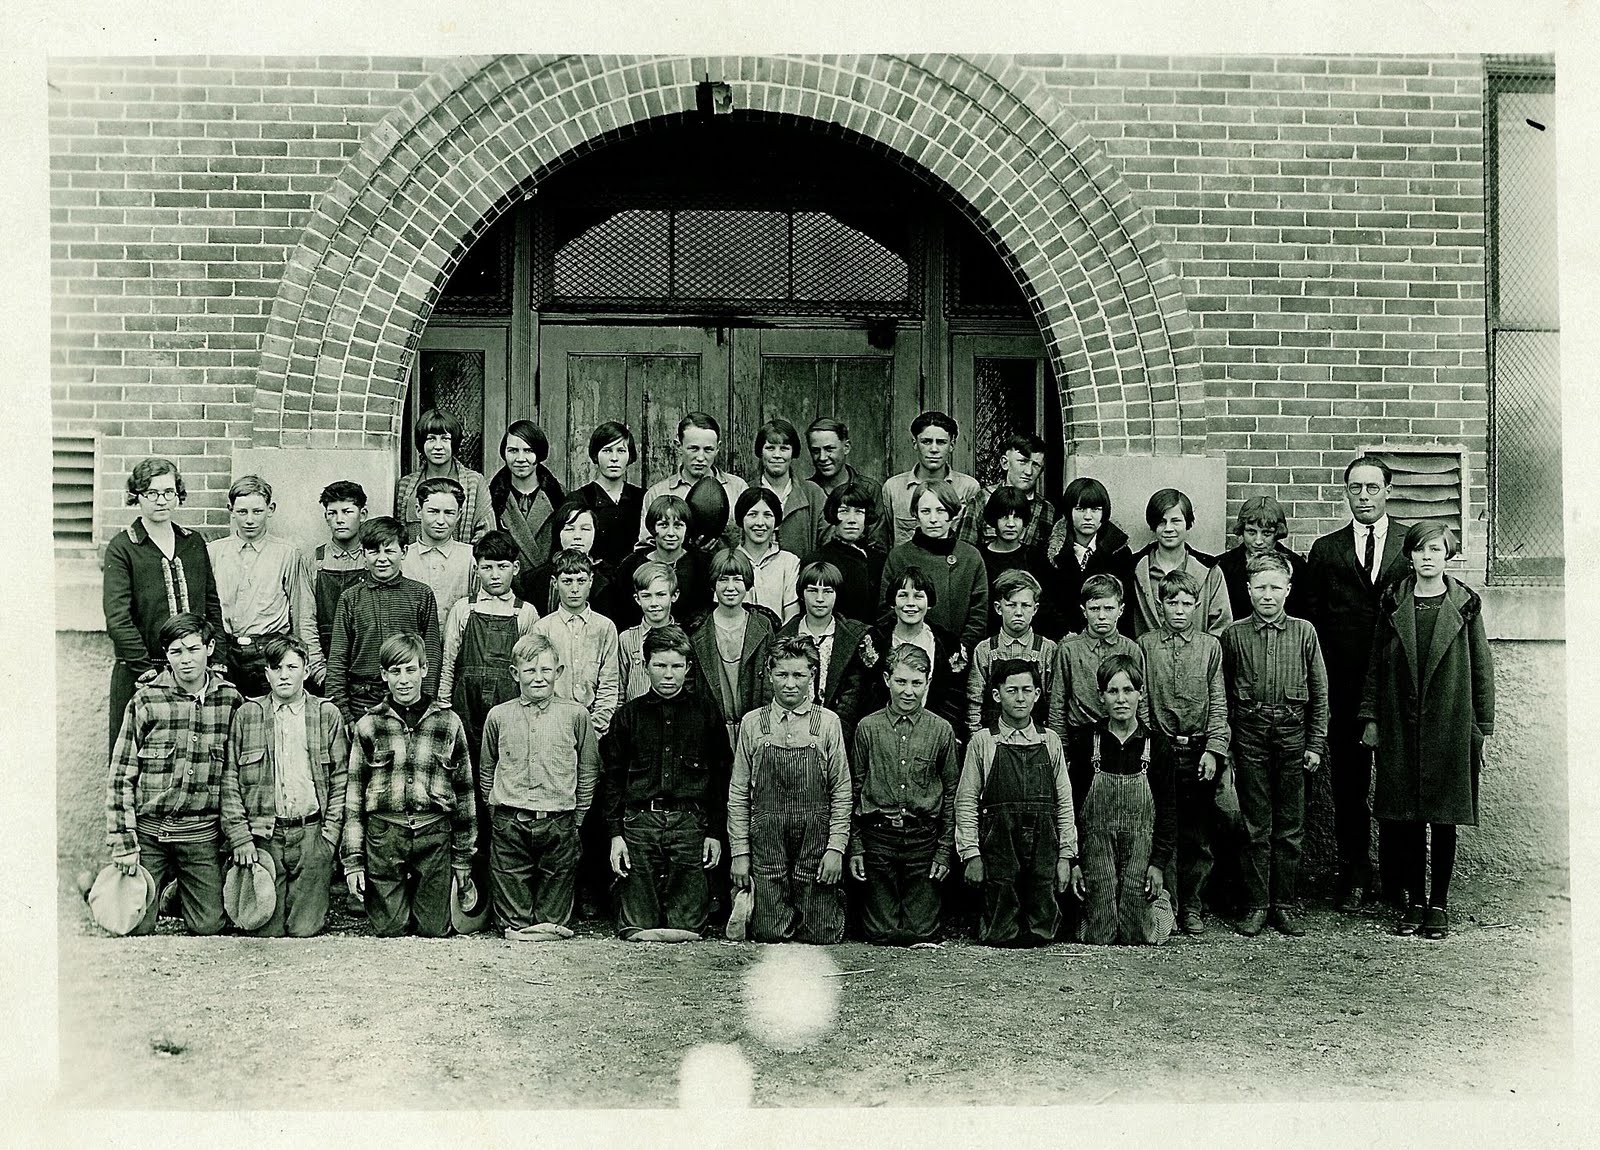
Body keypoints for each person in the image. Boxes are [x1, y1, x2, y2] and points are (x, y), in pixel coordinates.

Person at [1358, 523, 1495, 941]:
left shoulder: (1465, 604)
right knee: (1406, 819)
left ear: (1448, 554)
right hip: (1401, 722)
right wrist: (1371, 718)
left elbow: (1480, 668)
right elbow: (1376, 667)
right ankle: (1415, 900)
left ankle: (1439, 903)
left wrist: (1481, 727)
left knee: (1443, 816)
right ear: (1410, 557)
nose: (1427, 557)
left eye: (1435, 549)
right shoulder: (1394, 601)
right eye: (1419, 550)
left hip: (1450, 725)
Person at [1304, 454, 1411, 913]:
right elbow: (1312, 622)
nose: (1363, 496)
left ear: (1388, 490)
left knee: (1396, 783)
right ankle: (1353, 872)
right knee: (1348, 787)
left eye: (1372, 487)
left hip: (1396, 685)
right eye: (1355, 488)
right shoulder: (1326, 550)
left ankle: (1398, 879)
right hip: (1344, 688)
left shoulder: (1412, 545)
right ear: (1346, 493)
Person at [105, 612, 243, 936]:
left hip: (200, 835)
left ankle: (176, 895)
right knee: (135, 925)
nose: (185, 660)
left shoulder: (230, 701)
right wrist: (124, 843)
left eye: (193, 649)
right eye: (176, 652)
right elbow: (120, 776)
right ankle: (117, 885)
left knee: (209, 925)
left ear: (210, 648)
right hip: (151, 833)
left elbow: (238, 776)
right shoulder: (145, 700)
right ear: (166, 655)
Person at [1221, 551, 1329, 937]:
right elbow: (1225, 696)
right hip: (1249, 738)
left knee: (1290, 825)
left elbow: (1319, 693)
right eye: (1260, 587)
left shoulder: (1304, 633)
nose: (1268, 595)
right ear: (1248, 590)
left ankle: (1283, 903)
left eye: (1275, 587)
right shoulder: (1234, 636)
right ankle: (1256, 904)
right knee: (1255, 825)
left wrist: (1315, 744)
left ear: (1288, 589)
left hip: (1293, 738)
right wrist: (1229, 747)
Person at [342, 632, 476, 938]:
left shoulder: (448, 722)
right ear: (384, 675)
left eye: (411, 670)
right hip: (385, 834)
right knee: (390, 929)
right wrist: (353, 862)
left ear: (425, 670)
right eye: (395, 671)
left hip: (434, 833)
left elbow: (465, 793)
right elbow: (352, 797)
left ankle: (426, 896)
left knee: (433, 929)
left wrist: (463, 856)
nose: (403, 680)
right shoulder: (369, 724)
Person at [604, 624, 731, 942]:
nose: (668, 674)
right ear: (646, 666)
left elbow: (720, 776)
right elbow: (613, 780)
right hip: (640, 823)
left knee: (688, 928)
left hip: (689, 823)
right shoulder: (628, 716)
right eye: (660, 665)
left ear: (688, 667)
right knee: (637, 926)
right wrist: (616, 836)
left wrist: (714, 832)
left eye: (676, 666)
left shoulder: (705, 712)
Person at [437, 529, 541, 913]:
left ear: (515, 568)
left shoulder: (525, 613)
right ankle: (468, 882)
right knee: (467, 791)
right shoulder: (463, 610)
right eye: (486, 567)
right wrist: (445, 706)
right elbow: (449, 661)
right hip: (466, 711)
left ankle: (507, 887)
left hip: (508, 712)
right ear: (476, 569)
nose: (494, 575)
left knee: (502, 788)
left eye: (502, 567)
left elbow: (532, 666)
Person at [220, 635, 348, 937]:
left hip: (312, 833)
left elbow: (341, 778)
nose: (284, 674)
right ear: (266, 674)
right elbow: (229, 781)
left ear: (305, 671)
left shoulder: (326, 715)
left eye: (292, 666)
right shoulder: (247, 715)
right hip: (266, 835)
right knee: (266, 931)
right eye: (276, 667)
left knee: (305, 931)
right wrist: (241, 838)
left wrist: (329, 837)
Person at [727, 638, 852, 944]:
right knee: (769, 933)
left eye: (798, 675)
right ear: (769, 675)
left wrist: (836, 849)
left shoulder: (828, 723)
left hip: (815, 835)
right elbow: (738, 793)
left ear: (812, 675)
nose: (790, 684)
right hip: (767, 836)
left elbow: (842, 791)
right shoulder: (753, 724)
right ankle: (755, 899)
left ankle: (831, 902)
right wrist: (740, 853)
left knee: (822, 934)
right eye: (782, 675)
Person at [480, 633, 600, 940]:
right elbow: (487, 769)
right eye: (530, 670)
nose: (538, 678)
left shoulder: (576, 715)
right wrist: (498, 815)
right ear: (514, 673)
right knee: (513, 925)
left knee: (553, 924)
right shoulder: (498, 716)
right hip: (510, 824)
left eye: (546, 670)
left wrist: (578, 817)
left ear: (558, 672)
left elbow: (588, 770)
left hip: (559, 824)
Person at [102, 457, 225, 751]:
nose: (161, 501)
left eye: (169, 492)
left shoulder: (193, 542)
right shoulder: (123, 547)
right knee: (138, 757)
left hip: (194, 672)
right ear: (137, 497)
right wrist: (148, 671)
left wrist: (216, 659)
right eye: (151, 493)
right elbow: (118, 618)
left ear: (178, 495)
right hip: (141, 673)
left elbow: (212, 606)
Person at [954, 660, 1079, 947]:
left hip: (1043, 843)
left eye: (1026, 690)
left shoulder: (1050, 741)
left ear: (1037, 694)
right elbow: (966, 802)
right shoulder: (984, 742)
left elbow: (1064, 802)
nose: (1020, 698)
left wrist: (1065, 855)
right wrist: (971, 853)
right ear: (997, 695)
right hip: (999, 843)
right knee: (999, 917)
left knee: (1042, 915)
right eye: (1012, 690)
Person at [1137, 570, 1232, 936]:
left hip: (1197, 750)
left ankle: (1193, 903)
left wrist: (1213, 750)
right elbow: (1141, 699)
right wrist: (1151, 745)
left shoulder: (1210, 648)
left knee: (1198, 833)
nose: (1179, 610)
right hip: (1160, 748)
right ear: (1160, 606)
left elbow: (1219, 705)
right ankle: (1168, 903)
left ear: (1197, 606)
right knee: (1165, 830)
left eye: (1186, 603)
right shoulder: (1146, 645)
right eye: (1171, 602)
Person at [848, 645, 959, 946]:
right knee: (879, 933)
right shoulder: (867, 728)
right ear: (886, 679)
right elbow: (855, 790)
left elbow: (951, 793)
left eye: (916, 683)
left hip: (922, 838)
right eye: (901, 681)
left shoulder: (941, 730)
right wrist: (856, 847)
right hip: (879, 837)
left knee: (920, 933)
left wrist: (944, 850)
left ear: (927, 683)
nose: (908, 691)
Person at [1076, 654, 1174, 946]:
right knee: (1098, 935)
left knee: (1138, 935)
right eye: (1113, 691)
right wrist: (1074, 862)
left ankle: (1162, 903)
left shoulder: (1155, 744)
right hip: (1096, 846)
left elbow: (1168, 810)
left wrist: (1158, 864)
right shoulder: (1088, 741)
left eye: (1128, 690)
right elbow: (1071, 805)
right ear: (1101, 696)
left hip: (1140, 847)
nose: (1121, 699)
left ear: (1140, 694)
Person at [208, 474, 324, 700]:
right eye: (242, 512)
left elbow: (300, 613)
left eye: (257, 511)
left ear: (270, 509)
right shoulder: (214, 552)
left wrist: (305, 659)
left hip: (268, 651)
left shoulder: (286, 553)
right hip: (225, 650)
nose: (249, 519)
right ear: (230, 509)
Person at [1047, 573, 1149, 820]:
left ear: (1121, 610)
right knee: (1081, 810)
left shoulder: (1131, 649)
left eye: (1108, 608)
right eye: (1094, 609)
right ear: (1084, 610)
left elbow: (1141, 701)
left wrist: (1146, 744)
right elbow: (1058, 704)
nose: (1102, 616)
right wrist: (1062, 753)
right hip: (1080, 739)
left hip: (1122, 741)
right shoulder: (1069, 650)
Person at [325, 516, 442, 726]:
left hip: (409, 697)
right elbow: (338, 658)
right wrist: (343, 713)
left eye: (389, 551)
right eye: (373, 551)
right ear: (363, 554)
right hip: (362, 701)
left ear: (404, 552)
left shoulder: (421, 594)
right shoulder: (350, 598)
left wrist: (425, 701)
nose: (381, 559)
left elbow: (431, 652)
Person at [776, 559, 878, 749]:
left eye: (828, 591)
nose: (820, 598)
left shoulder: (853, 637)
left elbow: (854, 692)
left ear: (837, 594)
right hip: (790, 734)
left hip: (838, 734)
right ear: (802, 594)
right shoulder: (784, 637)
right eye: (813, 590)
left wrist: (836, 730)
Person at [879, 478, 989, 653]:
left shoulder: (970, 557)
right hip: (906, 656)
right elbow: (887, 611)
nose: (933, 519)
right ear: (915, 513)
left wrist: (961, 651)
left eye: (941, 511)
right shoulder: (899, 556)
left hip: (956, 656)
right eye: (925, 511)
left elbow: (978, 615)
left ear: (953, 513)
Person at [866, 567, 970, 744]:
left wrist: (943, 733)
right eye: (903, 595)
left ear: (929, 602)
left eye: (918, 596)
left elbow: (955, 697)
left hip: (934, 735)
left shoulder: (948, 644)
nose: (911, 603)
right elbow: (868, 695)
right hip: (884, 736)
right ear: (892, 601)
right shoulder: (875, 642)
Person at [689, 548, 778, 748]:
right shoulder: (698, 631)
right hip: (712, 732)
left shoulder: (762, 626)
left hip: (756, 730)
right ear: (713, 584)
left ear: (747, 583)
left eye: (737, 579)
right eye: (723, 580)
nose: (730, 587)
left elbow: (771, 683)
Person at [529, 549, 622, 738]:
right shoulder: (542, 629)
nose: (574, 589)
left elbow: (609, 684)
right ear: (555, 583)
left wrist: (594, 730)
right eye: (567, 581)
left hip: (595, 728)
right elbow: (537, 682)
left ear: (591, 581)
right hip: (552, 726)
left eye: (581, 581)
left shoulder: (604, 628)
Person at [1128, 488, 1231, 638]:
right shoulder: (1134, 569)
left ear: (1187, 523)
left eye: (1176, 521)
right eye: (1162, 522)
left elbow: (1221, 627)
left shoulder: (1209, 571)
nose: (1168, 528)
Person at [1043, 476, 1133, 639]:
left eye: (1095, 509)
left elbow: (1125, 604)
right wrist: (1065, 634)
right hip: (1063, 640)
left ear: (1104, 512)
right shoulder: (1050, 553)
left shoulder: (1119, 553)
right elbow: (1046, 602)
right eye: (1080, 509)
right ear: (1068, 512)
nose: (1088, 516)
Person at [637, 411, 747, 544]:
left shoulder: (737, 488)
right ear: (679, 446)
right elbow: (646, 545)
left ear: (718, 448)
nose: (700, 458)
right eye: (693, 449)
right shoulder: (658, 493)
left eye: (708, 450)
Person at [968, 569, 1056, 734]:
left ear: (1035, 609)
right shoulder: (985, 650)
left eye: (1025, 605)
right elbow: (974, 701)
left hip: (1036, 739)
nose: (1018, 612)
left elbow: (1054, 702)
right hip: (994, 739)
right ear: (998, 608)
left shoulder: (1047, 649)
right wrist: (976, 737)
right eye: (1011, 605)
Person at [879, 410, 983, 548]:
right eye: (926, 442)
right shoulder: (893, 487)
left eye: (941, 442)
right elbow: (886, 539)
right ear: (915, 444)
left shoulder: (968, 487)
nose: (934, 449)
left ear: (951, 445)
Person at [393, 407, 495, 546]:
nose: (438, 446)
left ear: (454, 442)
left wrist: (466, 559)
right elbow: (397, 534)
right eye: (431, 439)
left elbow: (486, 532)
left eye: (445, 439)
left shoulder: (474, 482)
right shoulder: (405, 485)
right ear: (422, 442)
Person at [614, 494, 712, 633]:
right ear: (652, 527)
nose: (671, 533)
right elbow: (621, 611)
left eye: (678, 525)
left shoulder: (701, 564)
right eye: (663, 525)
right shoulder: (632, 565)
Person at [802, 477, 887, 626]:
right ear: (833, 515)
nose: (852, 520)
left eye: (859, 512)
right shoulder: (818, 560)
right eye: (844, 511)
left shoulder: (879, 559)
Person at [489, 419, 567, 575]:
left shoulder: (560, 496)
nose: (520, 458)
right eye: (513, 451)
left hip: (547, 587)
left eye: (528, 451)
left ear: (539, 454)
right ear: (504, 453)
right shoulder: (491, 497)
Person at [959, 431, 1055, 556]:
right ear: (1005, 463)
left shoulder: (1046, 509)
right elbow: (965, 552)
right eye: (1023, 462)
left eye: (1036, 465)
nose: (1029, 471)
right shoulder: (983, 499)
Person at [401, 476, 478, 629]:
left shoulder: (471, 558)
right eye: (433, 512)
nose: (441, 521)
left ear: (459, 514)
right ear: (418, 511)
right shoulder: (403, 558)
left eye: (449, 513)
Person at [1217, 495, 1308, 623]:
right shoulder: (1224, 566)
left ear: (1277, 532)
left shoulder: (1296, 566)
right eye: (1251, 532)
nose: (1258, 541)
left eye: (1266, 533)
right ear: (1242, 530)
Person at [568, 421, 644, 568]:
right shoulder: (580, 499)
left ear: (630, 456)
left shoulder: (641, 497)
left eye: (621, 451)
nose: (614, 458)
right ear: (596, 455)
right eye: (607, 450)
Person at [311, 481, 370, 669]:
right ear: (326, 517)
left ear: (363, 515)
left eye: (347, 512)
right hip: (324, 657)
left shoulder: (373, 559)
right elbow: (305, 619)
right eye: (332, 513)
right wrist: (318, 668)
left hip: (365, 656)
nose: (339, 519)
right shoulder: (314, 560)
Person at [516, 501, 611, 617]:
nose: (577, 536)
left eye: (585, 529)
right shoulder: (534, 580)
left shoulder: (609, 578)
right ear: (558, 533)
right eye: (569, 529)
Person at [975, 486, 1051, 625]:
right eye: (1004, 517)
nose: (1010, 524)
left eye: (1017, 517)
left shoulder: (1035, 557)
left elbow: (1045, 604)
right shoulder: (978, 557)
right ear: (994, 519)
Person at [754, 417, 829, 557]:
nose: (777, 455)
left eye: (784, 449)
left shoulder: (813, 494)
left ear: (793, 453)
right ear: (760, 451)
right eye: (770, 448)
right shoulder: (746, 491)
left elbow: (828, 542)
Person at [734, 486, 802, 625]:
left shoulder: (789, 562)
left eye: (767, 515)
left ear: (776, 522)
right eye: (752, 514)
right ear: (741, 520)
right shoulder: (729, 561)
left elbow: (792, 615)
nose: (760, 523)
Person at [618, 561, 680, 702]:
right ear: (637, 599)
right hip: (635, 720)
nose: (654, 603)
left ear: (674, 596)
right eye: (646, 596)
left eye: (660, 595)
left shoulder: (685, 639)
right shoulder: (627, 639)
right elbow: (620, 691)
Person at [806, 415, 881, 503]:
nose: (822, 457)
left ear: (846, 447)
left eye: (829, 449)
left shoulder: (869, 489)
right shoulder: (805, 491)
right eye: (815, 451)